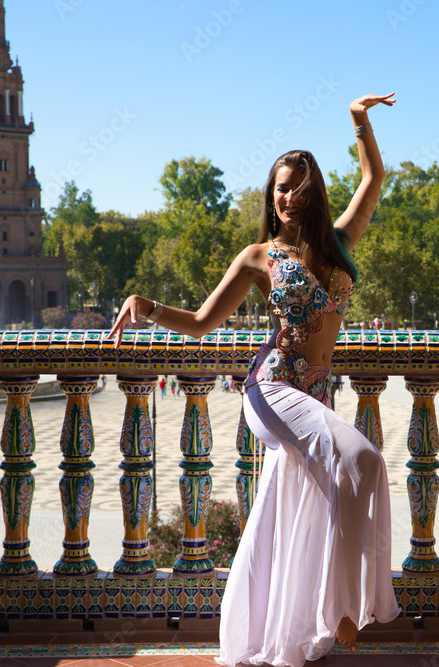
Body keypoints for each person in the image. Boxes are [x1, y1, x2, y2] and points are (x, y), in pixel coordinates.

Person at [109, 92, 398, 667]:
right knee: (365, 461)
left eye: (299, 187)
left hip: (313, 392)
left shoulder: (338, 243)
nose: (288, 197)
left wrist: (358, 121)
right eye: (280, 187)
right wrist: (146, 305)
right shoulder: (259, 258)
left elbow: (374, 177)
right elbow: (200, 324)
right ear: (271, 195)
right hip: (271, 389)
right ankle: (343, 610)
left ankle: (285, 629)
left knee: (289, 510)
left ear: (315, 194)